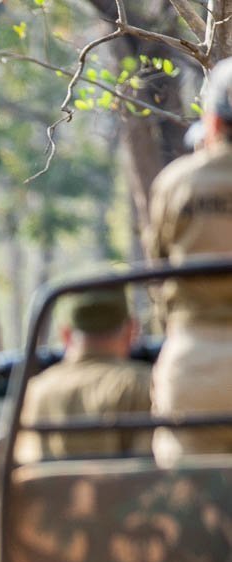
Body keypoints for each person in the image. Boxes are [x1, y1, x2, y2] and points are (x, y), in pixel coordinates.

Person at [146, 57, 232, 459]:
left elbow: (157, 278)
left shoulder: (177, 183)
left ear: (212, 123)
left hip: (194, 368)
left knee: (190, 506)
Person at [17, 286, 151, 461]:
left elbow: (23, 473)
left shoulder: (35, 391)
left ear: (65, 335)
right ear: (131, 331)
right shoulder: (145, 384)